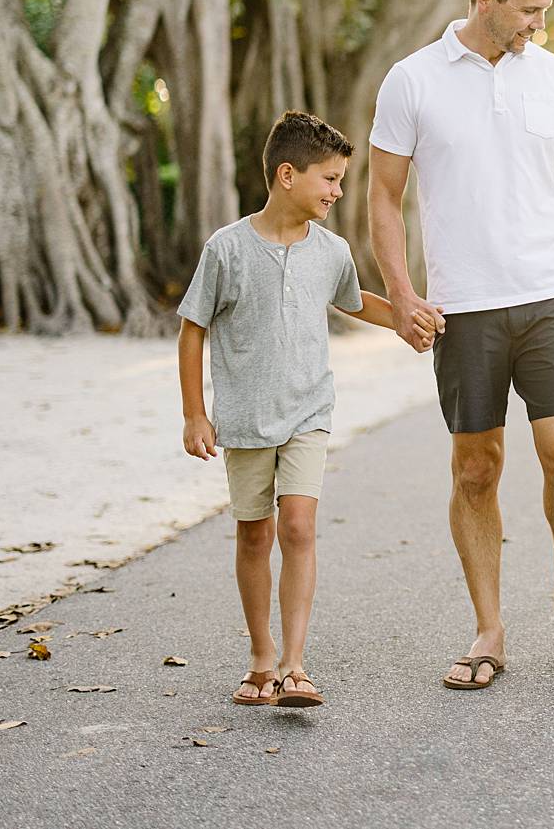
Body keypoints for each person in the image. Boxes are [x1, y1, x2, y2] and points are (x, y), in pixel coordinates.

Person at [367, 0, 554, 691]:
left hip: (552, 292)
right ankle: (489, 626)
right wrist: (402, 296)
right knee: (476, 469)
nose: (539, 25)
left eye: (545, 10)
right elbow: (381, 199)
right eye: (528, 10)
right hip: (464, 307)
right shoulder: (412, 79)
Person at [178, 111, 438, 709]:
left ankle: (295, 666)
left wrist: (406, 315)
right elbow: (192, 329)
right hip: (244, 418)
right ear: (287, 175)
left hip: (308, 412)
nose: (338, 191)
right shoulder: (228, 249)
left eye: (342, 180)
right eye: (330, 179)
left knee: (297, 526)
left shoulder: (332, 251)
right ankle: (261, 658)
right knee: (253, 534)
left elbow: (353, 302)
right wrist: (196, 414)